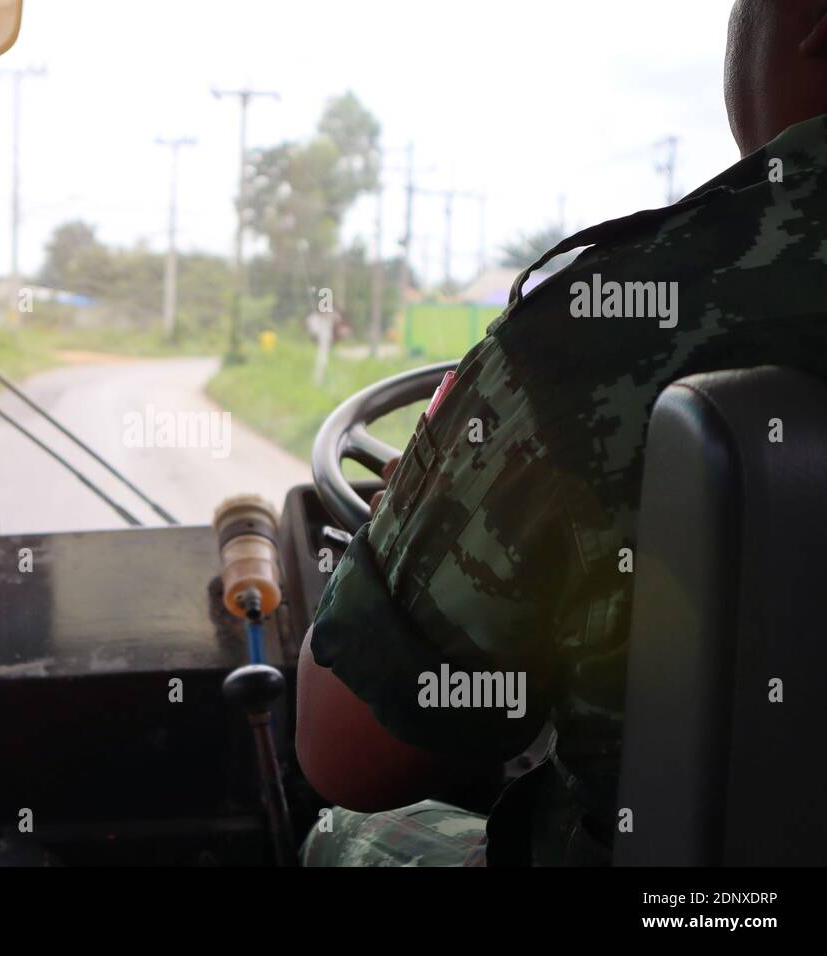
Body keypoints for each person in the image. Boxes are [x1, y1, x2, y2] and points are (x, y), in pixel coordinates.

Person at [296, 0, 827, 866]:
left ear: (808, 19)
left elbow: (347, 751)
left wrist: (417, 502)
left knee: (350, 838)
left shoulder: (615, 319)